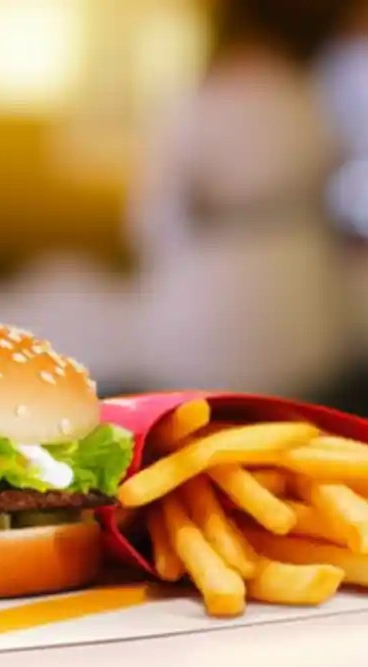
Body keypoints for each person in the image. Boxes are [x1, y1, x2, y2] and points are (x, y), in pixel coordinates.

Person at [130, 0, 353, 396]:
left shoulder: (196, 104)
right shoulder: (306, 100)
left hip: (204, 326)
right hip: (301, 320)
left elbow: (154, 219)